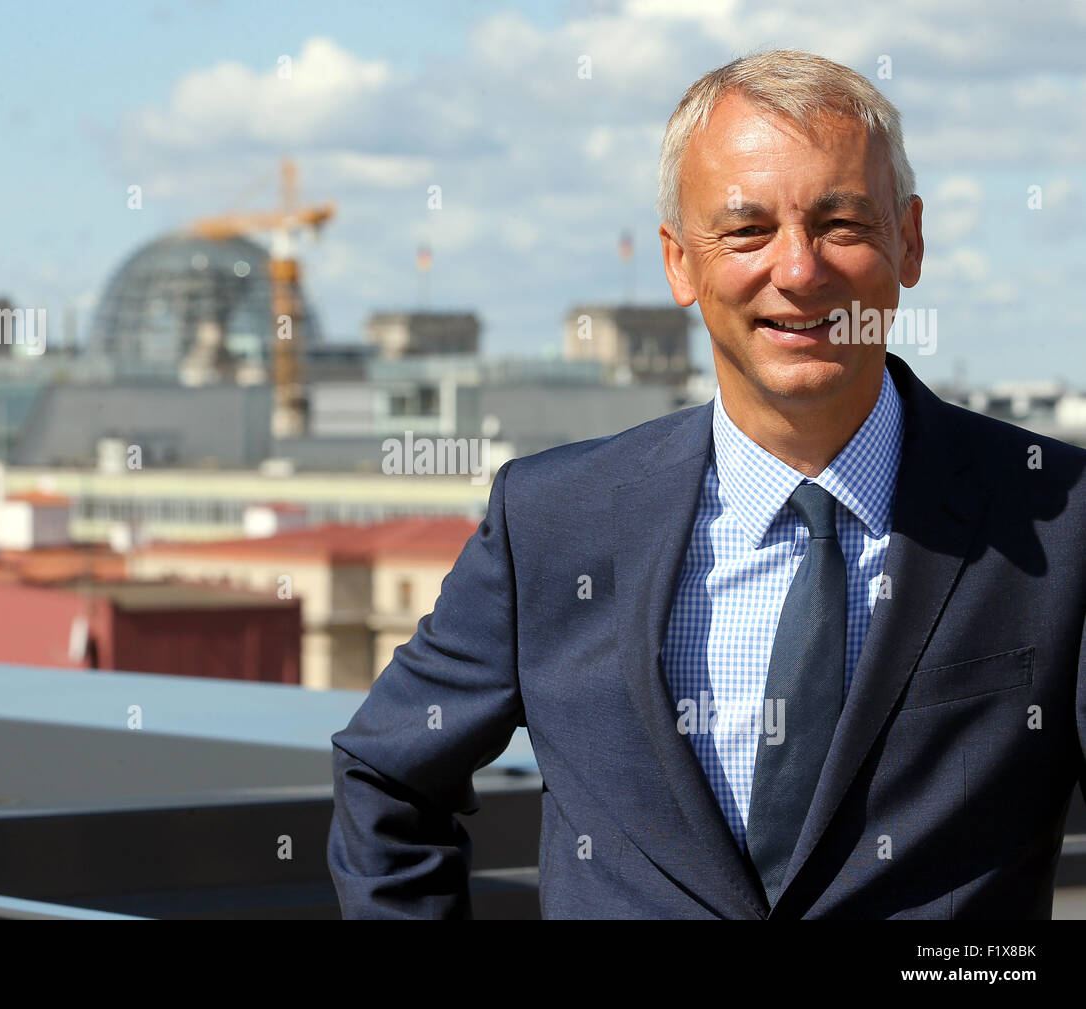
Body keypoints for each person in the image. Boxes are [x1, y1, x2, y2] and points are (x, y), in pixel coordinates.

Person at [327, 49, 1086, 919]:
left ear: (908, 241)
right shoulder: (553, 521)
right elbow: (386, 773)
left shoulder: (1062, 518)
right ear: (680, 263)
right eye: (747, 230)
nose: (799, 270)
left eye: (842, 222)